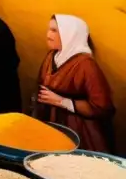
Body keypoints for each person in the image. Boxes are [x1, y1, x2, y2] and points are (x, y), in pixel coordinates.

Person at [33, 15, 115, 153]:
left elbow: (103, 107)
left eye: (54, 30)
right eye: (49, 29)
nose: (48, 35)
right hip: (50, 124)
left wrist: (62, 102)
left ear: (69, 34)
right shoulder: (51, 56)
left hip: (78, 130)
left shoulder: (86, 65)